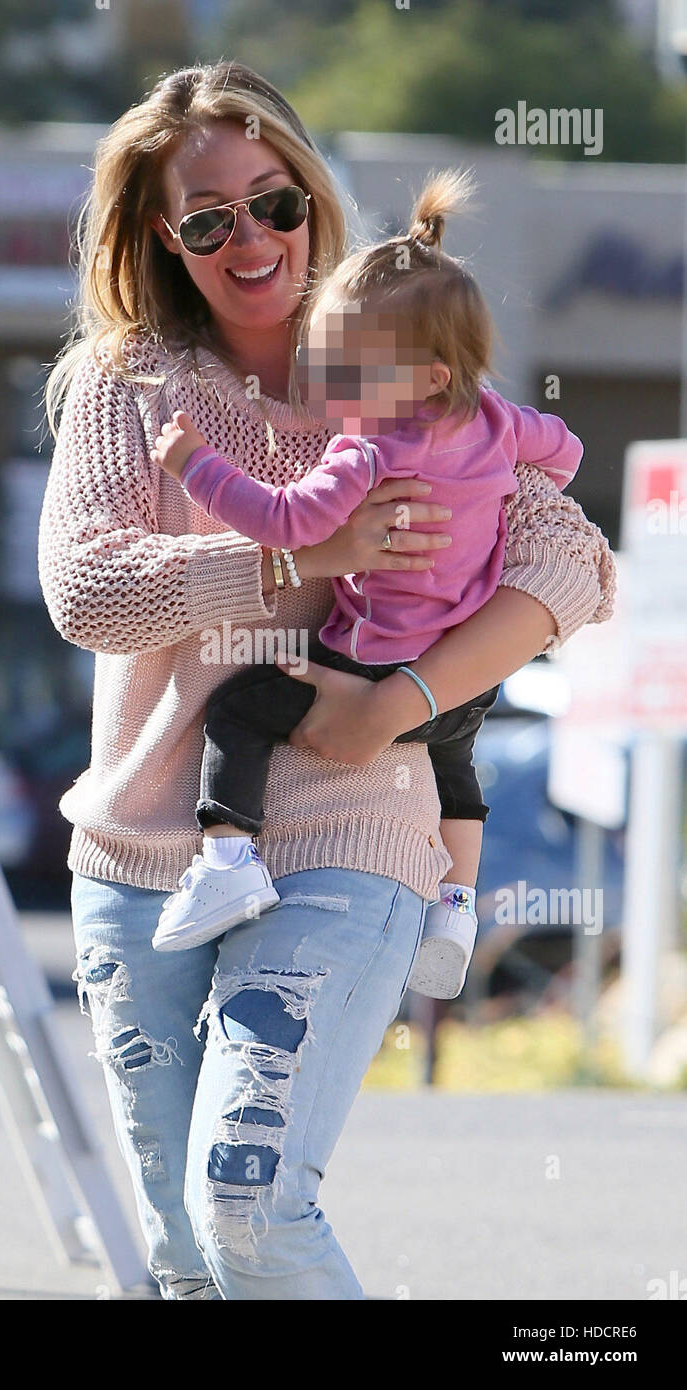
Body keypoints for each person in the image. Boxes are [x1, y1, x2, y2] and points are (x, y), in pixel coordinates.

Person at [37, 60, 615, 1300]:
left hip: (350, 831)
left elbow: (567, 555)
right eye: (209, 218)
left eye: (275, 200)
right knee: (188, 1260)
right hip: (145, 855)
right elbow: (87, 590)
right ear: (163, 236)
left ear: (313, 197)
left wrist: (395, 704)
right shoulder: (129, 383)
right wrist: (299, 550)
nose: (252, 238)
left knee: (244, 1196)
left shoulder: (389, 349)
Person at [148, 168, 583, 1007]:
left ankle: (229, 860)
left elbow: (282, 522)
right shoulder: (495, 423)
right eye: (324, 362)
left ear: (426, 376)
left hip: (372, 657)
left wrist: (191, 463)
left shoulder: (370, 452)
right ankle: (455, 912)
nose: (328, 391)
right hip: (460, 670)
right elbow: (563, 452)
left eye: (350, 372)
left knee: (238, 711)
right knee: (456, 772)